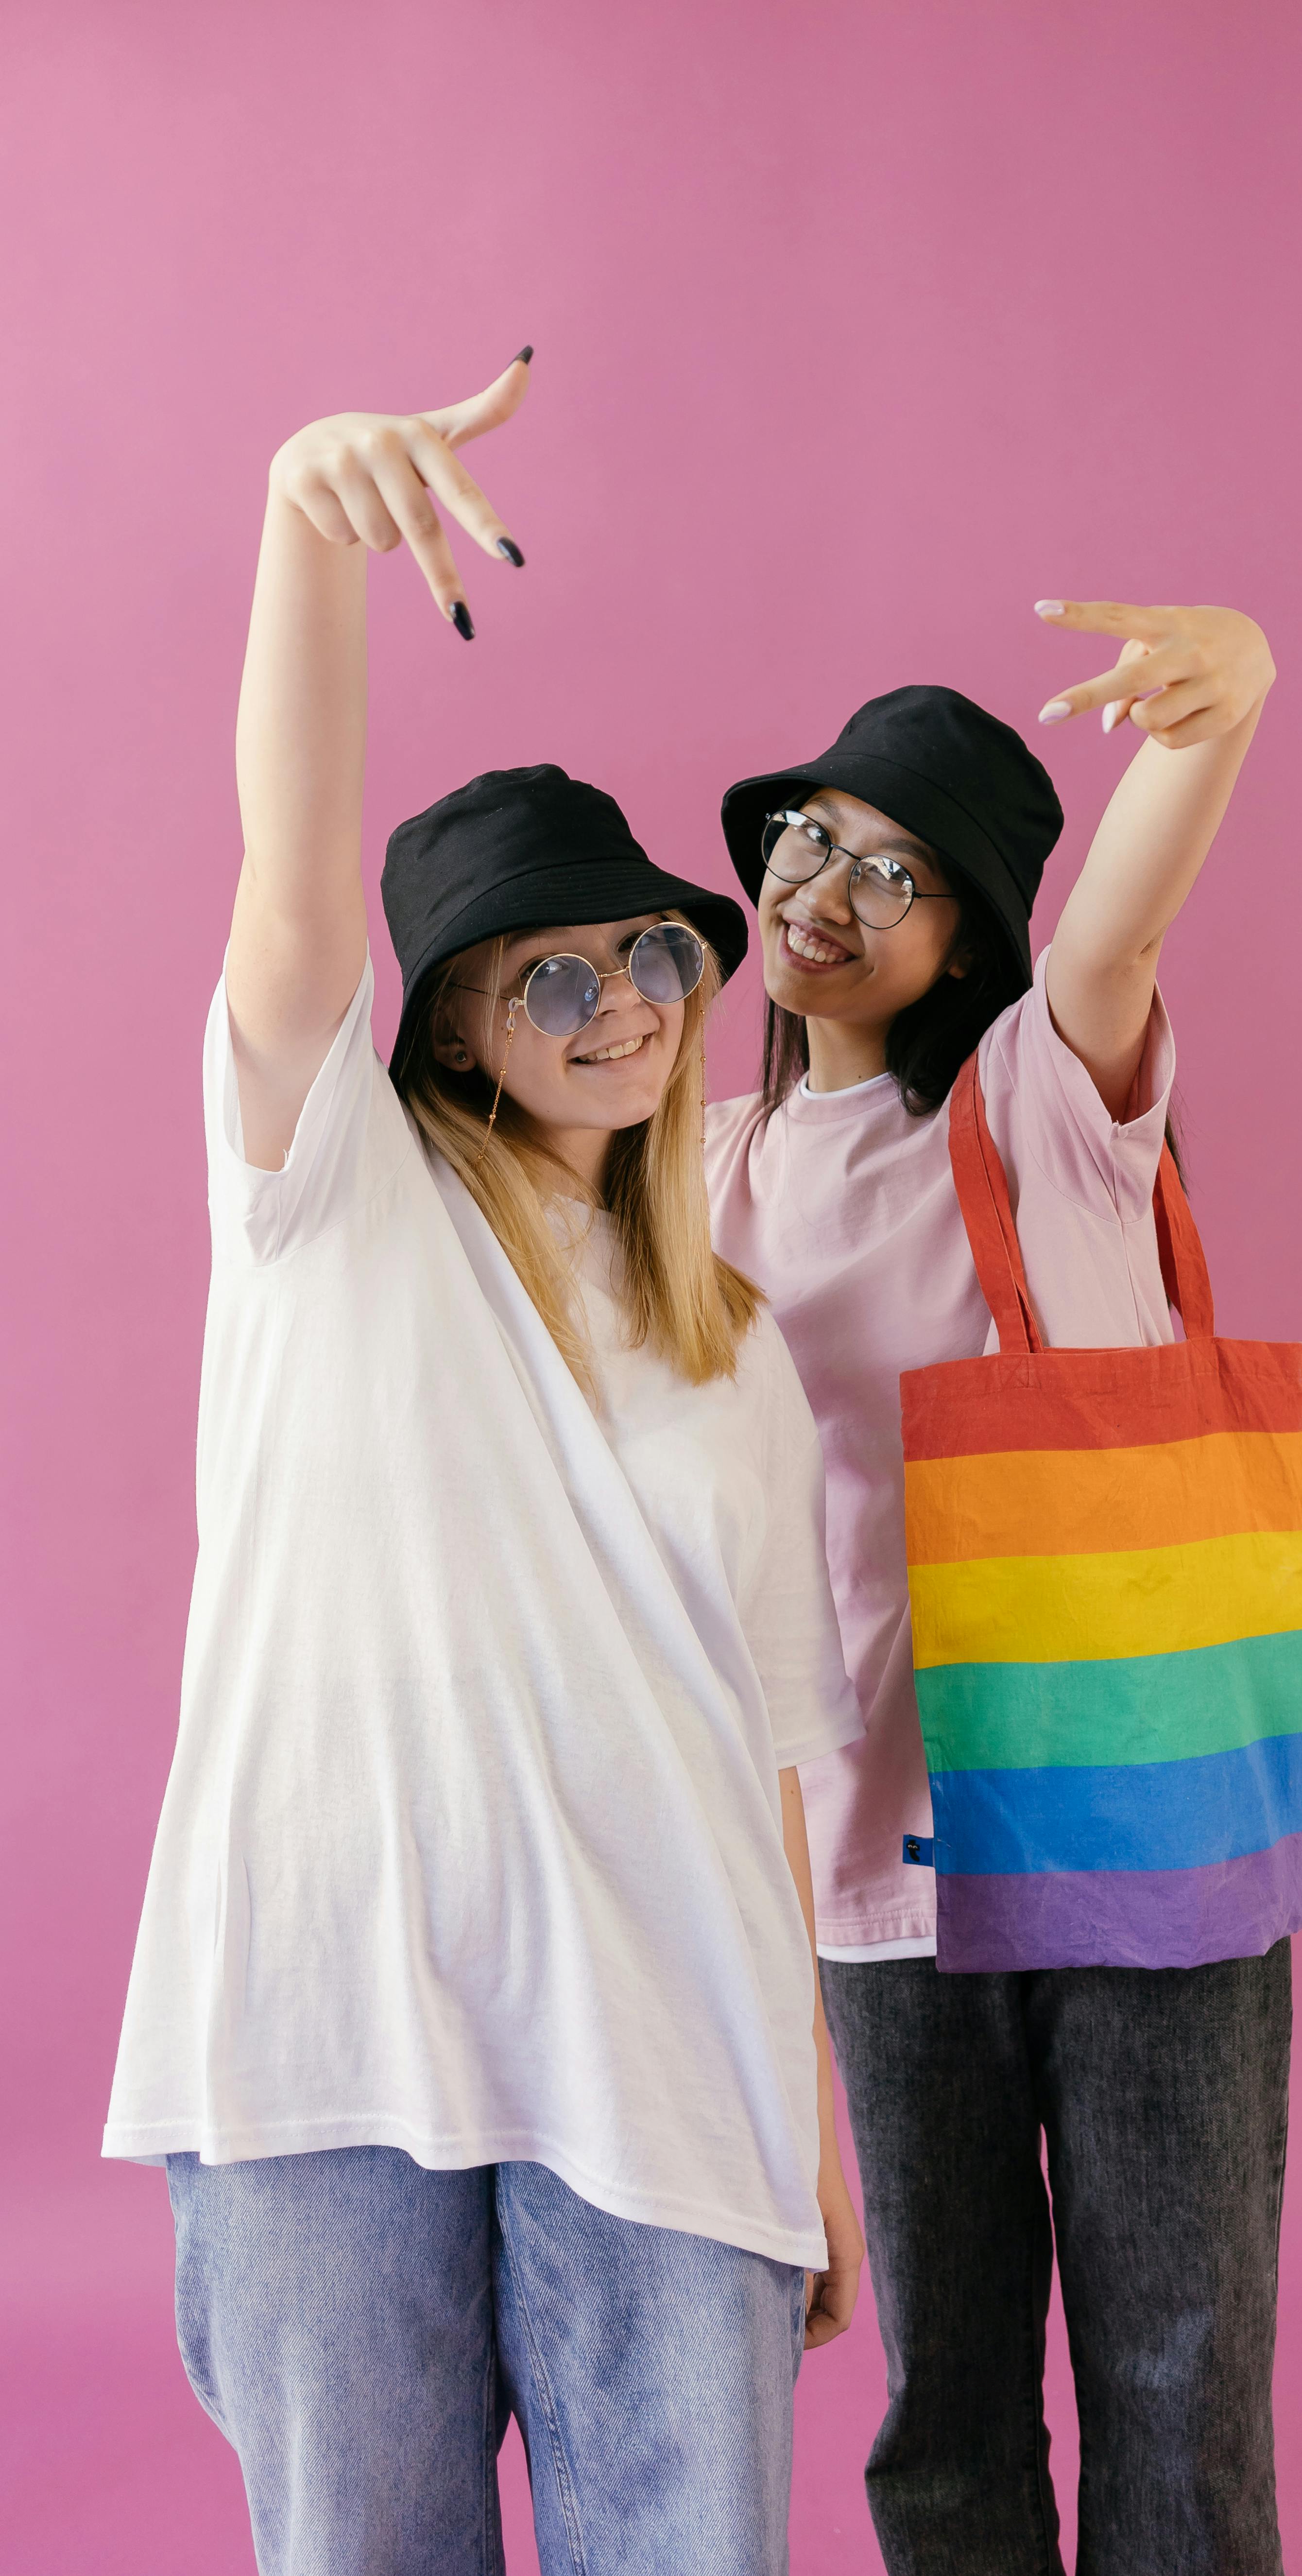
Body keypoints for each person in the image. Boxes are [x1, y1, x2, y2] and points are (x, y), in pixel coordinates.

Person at [103, 351, 865, 2576]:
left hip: (671, 2051)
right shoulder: (331, 1203)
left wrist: (814, 2144)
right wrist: (303, 533)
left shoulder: (732, 1347)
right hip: (321, 2035)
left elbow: (776, 1762)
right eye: (553, 976)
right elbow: (288, 889)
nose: (626, 1000)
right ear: (439, 1020)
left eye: (649, 954)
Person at [705, 607, 1300, 2576]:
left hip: (1133, 1828)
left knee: (1173, 2381)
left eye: (899, 871)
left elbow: (1112, 935)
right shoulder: (693, 1176)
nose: (829, 888)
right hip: (874, 1875)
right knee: (941, 2411)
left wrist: (1212, 717)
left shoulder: (1038, 1102)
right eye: (812, 836)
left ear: (966, 942)